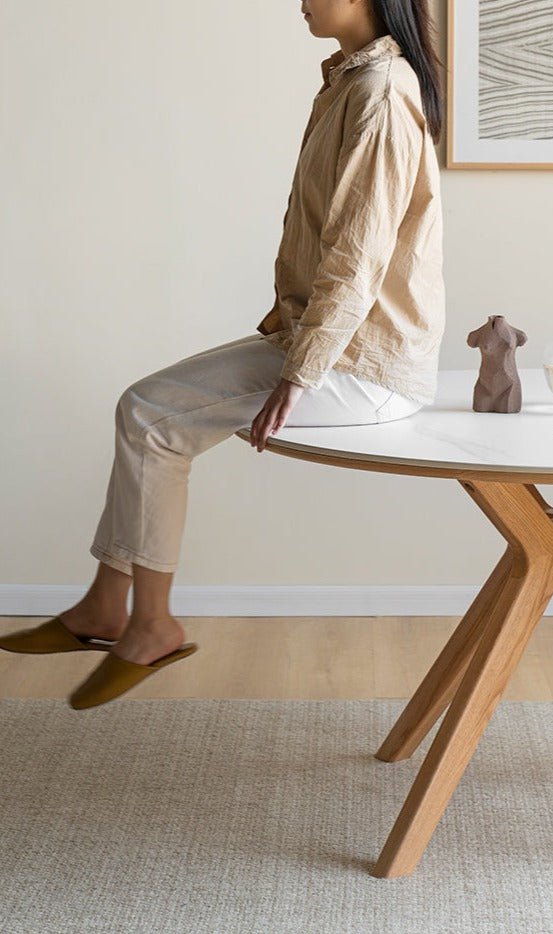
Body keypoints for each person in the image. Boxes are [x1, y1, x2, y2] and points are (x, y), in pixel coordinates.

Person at [0, 0, 446, 708]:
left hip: (362, 363)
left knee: (151, 419)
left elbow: (357, 261)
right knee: (143, 412)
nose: (299, 2)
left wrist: (300, 375)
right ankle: (105, 609)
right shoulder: (352, 82)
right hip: (330, 341)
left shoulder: (381, 96)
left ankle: (149, 625)